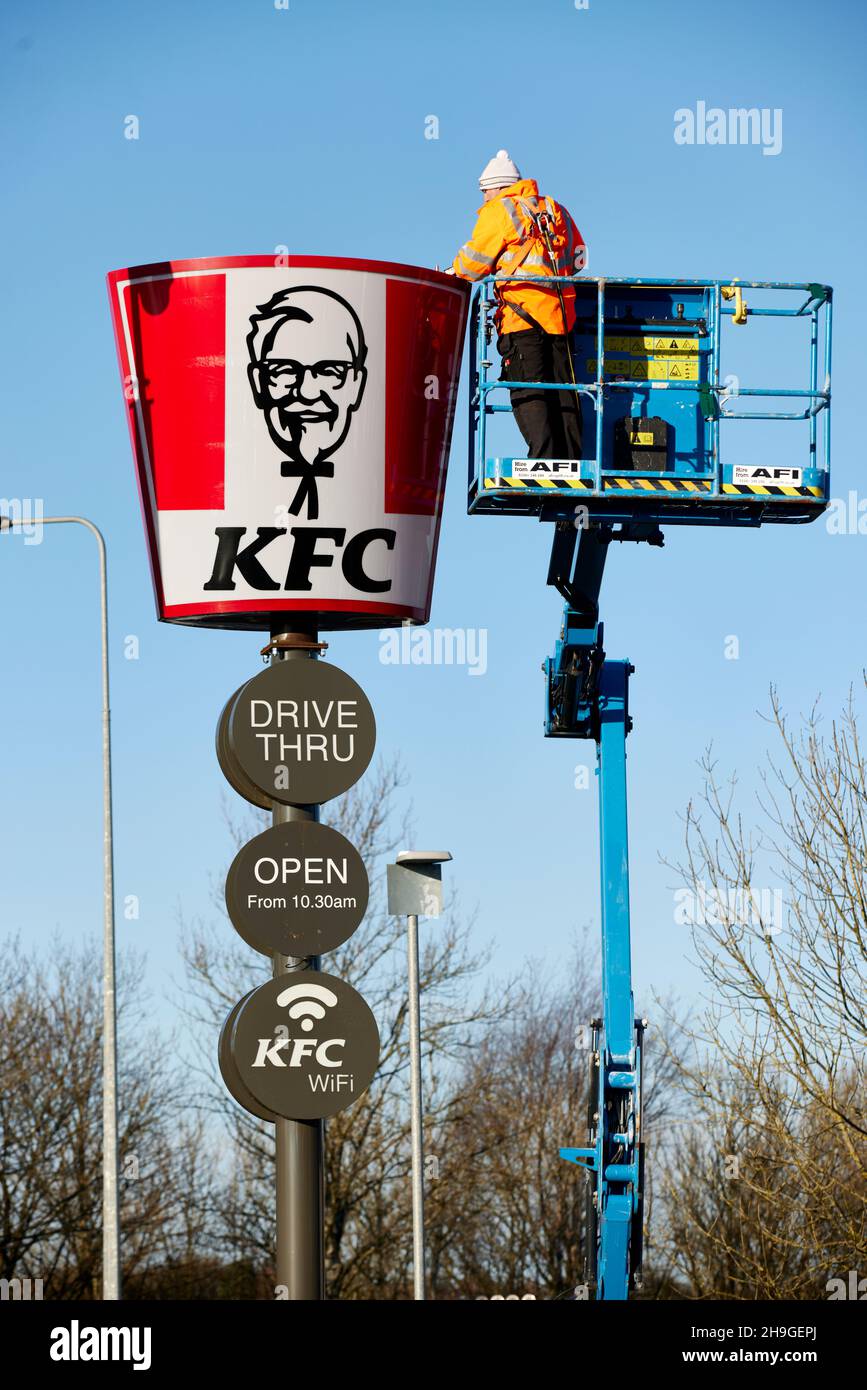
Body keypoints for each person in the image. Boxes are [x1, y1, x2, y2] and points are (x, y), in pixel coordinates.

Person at [449, 150, 586, 460]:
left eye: (484, 192)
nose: (483, 199)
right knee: (562, 388)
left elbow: (472, 265)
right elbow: (578, 258)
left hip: (521, 316)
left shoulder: (499, 211)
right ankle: (571, 461)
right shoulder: (555, 210)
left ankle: (544, 460)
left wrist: (452, 269)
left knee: (528, 386)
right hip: (561, 316)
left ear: (497, 187)